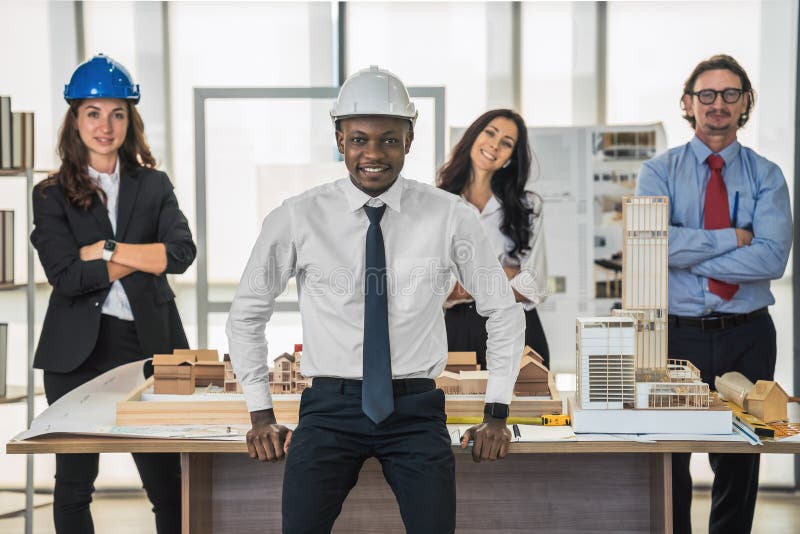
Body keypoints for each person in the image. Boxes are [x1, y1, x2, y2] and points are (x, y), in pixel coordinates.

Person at [226, 66, 525, 533]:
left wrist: (497, 412)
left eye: (389, 139)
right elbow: (246, 315)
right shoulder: (297, 217)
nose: (373, 153)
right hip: (328, 409)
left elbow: (502, 313)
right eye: (359, 139)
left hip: (416, 410)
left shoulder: (450, 217)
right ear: (339, 139)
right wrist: (260, 412)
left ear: (409, 140)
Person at [30, 54, 196, 534]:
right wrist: (144, 256)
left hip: (147, 346)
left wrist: (105, 250)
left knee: (169, 486)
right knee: (74, 485)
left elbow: (181, 254)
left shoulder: (154, 185)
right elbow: (66, 276)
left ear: (131, 119)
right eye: (93, 112)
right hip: (76, 353)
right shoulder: (51, 194)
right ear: (75, 120)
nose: (106, 125)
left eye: (117, 113)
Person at [636, 54, 792, 534]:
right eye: (707, 94)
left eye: (729, 94)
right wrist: (734, 237)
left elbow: (772, 260)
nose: (718, 104)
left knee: (741, 456)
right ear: (688, 102)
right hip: (675, 336)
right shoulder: (657, 171)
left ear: (745, 102)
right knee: (669, 457)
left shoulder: (767, 175)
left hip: (746, 334)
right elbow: (648, 245)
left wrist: (681, 246)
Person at [438, 109, 549, 369]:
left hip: (517, 330)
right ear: (474, 136)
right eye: (490, 133)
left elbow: (535, 281)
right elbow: (433, 281)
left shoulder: (528, 206)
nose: (495, 145)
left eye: (507, 143)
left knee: (524, 408)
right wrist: (504, 274)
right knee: (457, 409)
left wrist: (467, 282)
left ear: (510, 158)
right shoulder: (439, 204)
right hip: (457, 332)